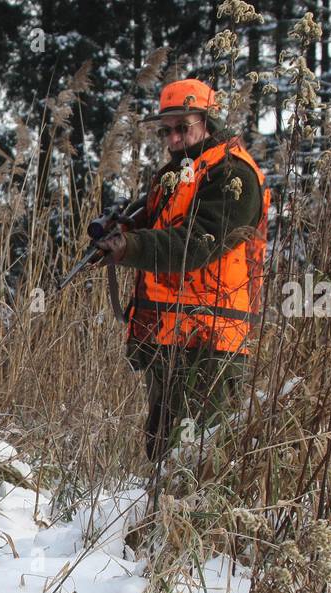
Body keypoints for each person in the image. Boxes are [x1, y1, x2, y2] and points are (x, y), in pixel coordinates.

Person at [95, 79, 270, 463]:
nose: (174, 139)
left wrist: (132, 247)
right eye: (167, 130)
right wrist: (122, 233)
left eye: (183, 127)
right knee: (162, 449)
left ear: (208, 122)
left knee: (198, 460)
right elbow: (163, 229)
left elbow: (199, 242)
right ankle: (158, 522)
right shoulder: (175, 177)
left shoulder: (233, 175)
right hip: (170, 335)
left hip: (211, 340)